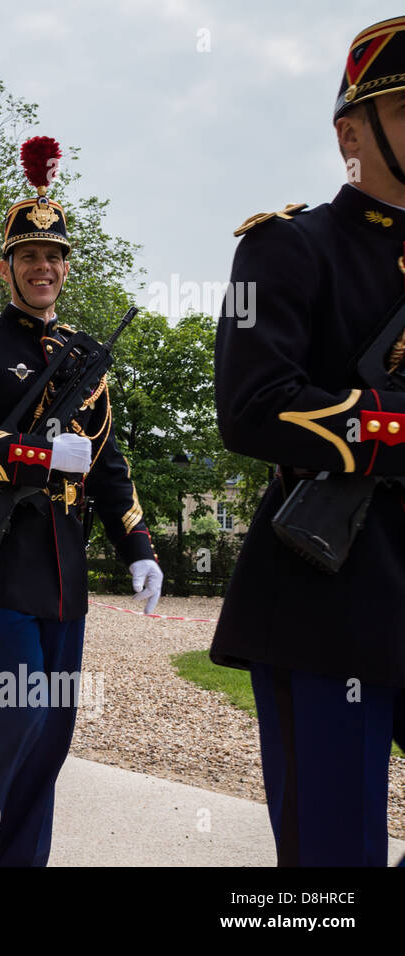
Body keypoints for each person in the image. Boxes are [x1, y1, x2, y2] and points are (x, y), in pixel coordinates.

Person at [0, 136, 161, 867]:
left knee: (54, 728)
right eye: (28, 256)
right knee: (19, 709)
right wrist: (33, 455)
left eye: (55, 255)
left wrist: (139, 547)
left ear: (66, 267)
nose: (43, 267)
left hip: (63, 561)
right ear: (6, 267)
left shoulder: (87, 355)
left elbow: (107, 461)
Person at [212, 16, 405, 867]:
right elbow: (253, 405)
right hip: (330, 592)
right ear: (350, 135)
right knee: (334, 861)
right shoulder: (286, 248)